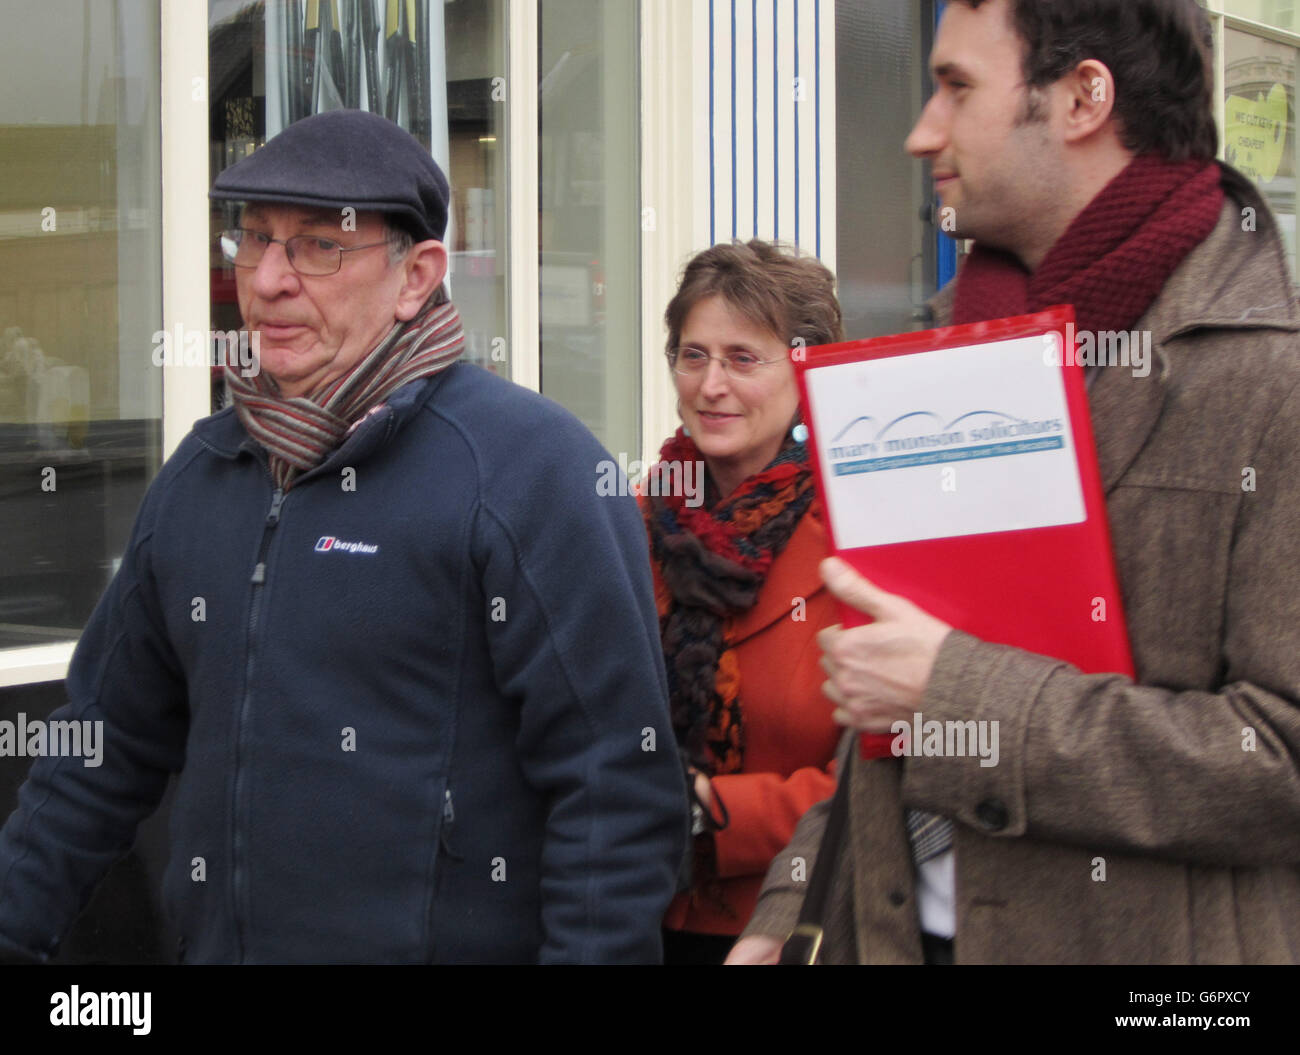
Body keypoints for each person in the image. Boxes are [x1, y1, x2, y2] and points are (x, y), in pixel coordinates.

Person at [0, 109, 686, 964]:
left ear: (417, 275)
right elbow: (99, 747)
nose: (270, 280)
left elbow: (616, 787)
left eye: (320, 245)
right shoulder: (202, 474)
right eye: (255, 239)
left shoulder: (531, 472)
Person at [730, 0, 1300, 965]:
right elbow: (887, 720)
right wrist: (789, 910)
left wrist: (959, 694)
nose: (920, 133)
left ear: (1083, 97)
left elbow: (1280, 761)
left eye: (956, 88)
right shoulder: (948, 347)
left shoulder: (1269, 379)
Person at [643, 240, 845, 964]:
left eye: (743, 358)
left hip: (792, 929)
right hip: (632, 918)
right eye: (692, 355)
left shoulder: (862, 537)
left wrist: (709, 812)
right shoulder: (631, 524)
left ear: (808, 367)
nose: (711, 384)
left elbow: (884, 775)